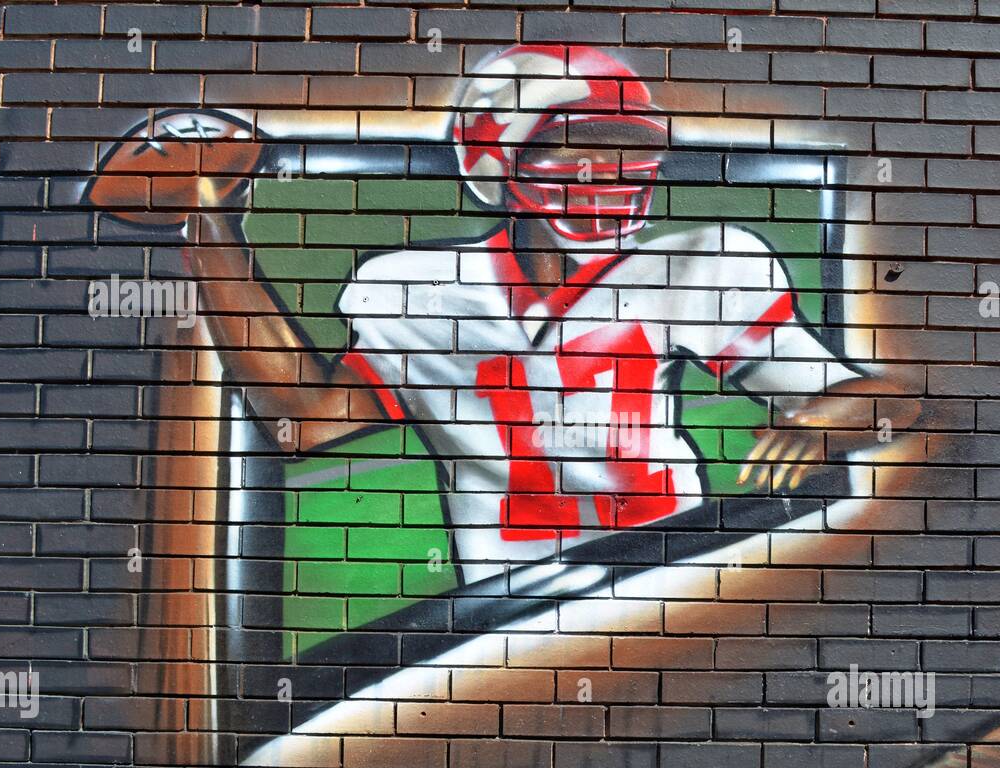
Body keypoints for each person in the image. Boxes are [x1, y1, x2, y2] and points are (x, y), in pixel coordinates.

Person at [100, 44, 893, 586]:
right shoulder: (424, 289)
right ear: (496, 161)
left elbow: (883, 402)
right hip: (506, 614)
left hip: (676, 580)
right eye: (579, 147)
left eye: (628, 148)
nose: (611, 171)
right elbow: (305, 420)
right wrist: (208, 223)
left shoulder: (698, 264)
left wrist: (820, 422)